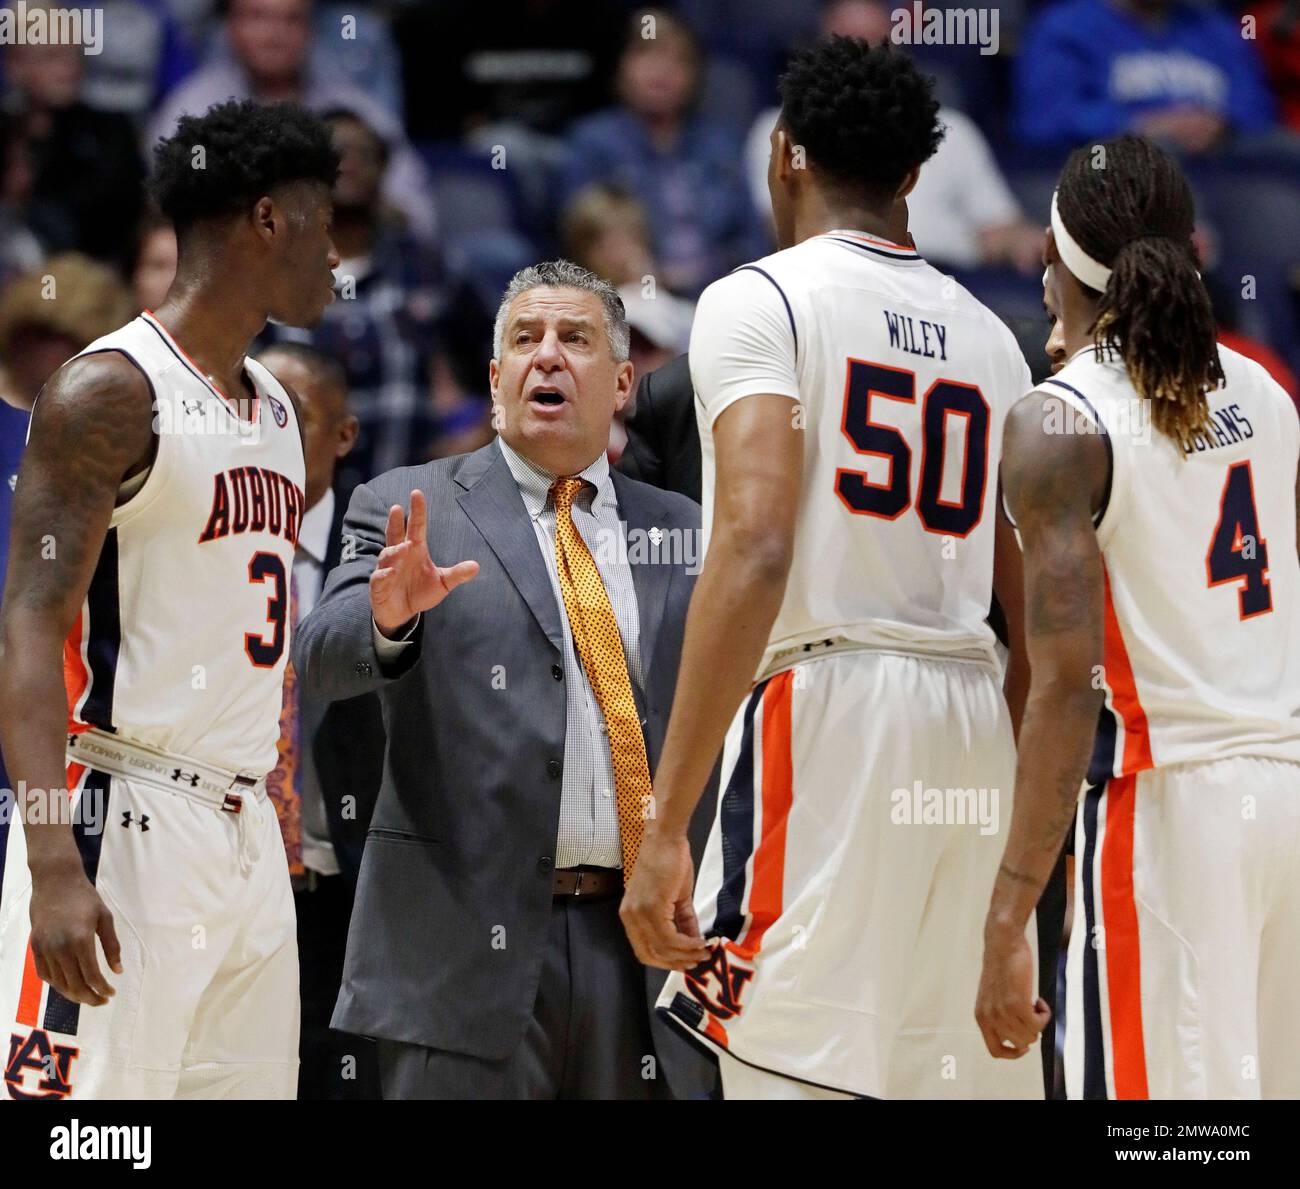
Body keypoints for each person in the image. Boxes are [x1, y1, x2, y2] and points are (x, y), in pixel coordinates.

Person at [619, 38, 1041, 1100]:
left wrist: (664, 823)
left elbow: (755, 544)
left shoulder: (758, 299)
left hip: (830, 708)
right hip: (973, 713)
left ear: (784, 154)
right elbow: (1032, 627)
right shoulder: (994, 338)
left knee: (794, 1075)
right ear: (912, 179)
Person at [292, 260, 717, 1100]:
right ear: (495, 378)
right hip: (457, 955)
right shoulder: (407, 503)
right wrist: (389, 620)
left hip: (642, 948)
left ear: (625, 380)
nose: (546, 357)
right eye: (525, 340)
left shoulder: (686, 530)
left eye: (575, 340)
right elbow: (321, 655)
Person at [0, 99, 340, 1099]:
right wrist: (53, 860)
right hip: (121, 814)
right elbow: (26, 625)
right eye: (325, 226)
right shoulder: (110, 390)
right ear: (269, 219)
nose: (338, 260)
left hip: (242, 835)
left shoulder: (279, 404)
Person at [976, 135, 1300, 1099]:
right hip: (1284, 792)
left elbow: (1068, 685)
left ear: (1053, 257)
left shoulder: (1058, 423)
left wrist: (1009, 907)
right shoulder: (1270, 393)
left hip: (1168, 811)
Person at [254, 341, 379, 1101]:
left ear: (344, 435)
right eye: (251, 414)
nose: (265, 434)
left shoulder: (391, 543)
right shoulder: (208, 544)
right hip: (231, 875)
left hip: (352, 886)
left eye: (289, 417)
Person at [744, 0, 1043, 274]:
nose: (862, 59)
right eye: (847, 45)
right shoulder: (785, 128)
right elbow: (787, 227)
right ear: (817, 52)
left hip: (952, 282)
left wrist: (1020, 242)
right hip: (846, 277)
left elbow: (999, 225)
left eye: (876, 44)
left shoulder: (953, 130)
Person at [260, 108, 450, 498]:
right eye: (333, 151)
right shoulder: (266, 269)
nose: (349, 160)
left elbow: (491, 356)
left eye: (364, 152)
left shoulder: (426, 267)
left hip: (411, 507)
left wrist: (470, 439)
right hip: (287, 505)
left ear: (384, 169)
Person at [147, 0, 436, 245]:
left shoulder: (355, 110)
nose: (275, 35)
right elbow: (163, 215)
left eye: (291, 20)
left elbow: (416, 215)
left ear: (312, 31)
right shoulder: (192, 107)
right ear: (230, 28)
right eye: (259, 17)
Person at [563, 7, 767, 297]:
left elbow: (752, 242)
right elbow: (584, 240)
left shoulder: (723, 145)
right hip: (628, 299)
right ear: (622, 67)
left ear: (695, 74)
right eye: (647, 55)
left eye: (676, 59)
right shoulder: (592, 143)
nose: (661, 70)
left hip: (720, 296)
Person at [1015, 0, 1278, 154]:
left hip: (1222, 167)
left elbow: (1258, 109)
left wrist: (1220, 123)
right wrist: (1138, 125)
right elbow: (1044, 122)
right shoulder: (1065, 27)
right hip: (1115, 173)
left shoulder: (1215, 28)